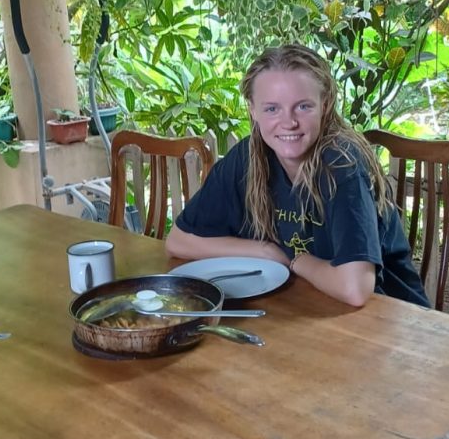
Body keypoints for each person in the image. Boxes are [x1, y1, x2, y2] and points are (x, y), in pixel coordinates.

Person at [166, 44, 429, 309]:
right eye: (272, 109)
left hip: (391, 318)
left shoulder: (342, 163)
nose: (289, 122)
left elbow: (355, 289)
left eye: (303, 107)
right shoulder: (247, 157)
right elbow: (178, 240)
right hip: (310, 305)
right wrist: (265, 251)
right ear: (253, 109)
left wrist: (295, 260)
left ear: (324, 105)